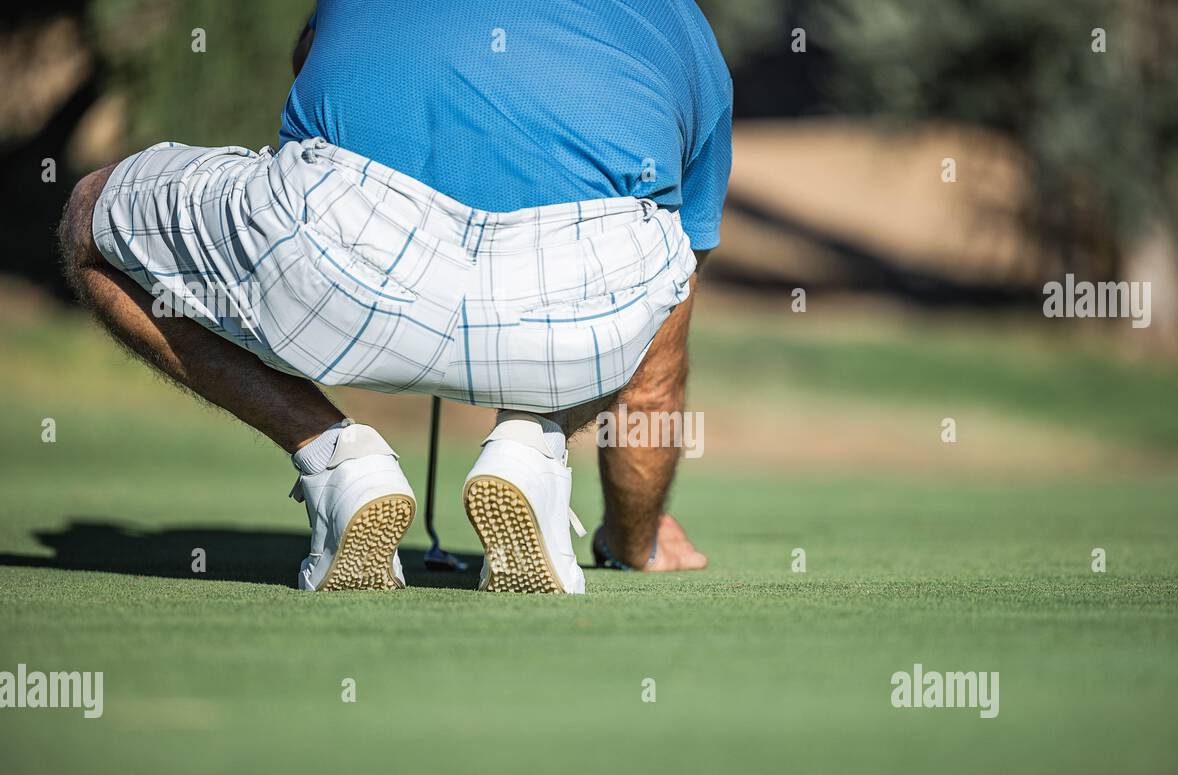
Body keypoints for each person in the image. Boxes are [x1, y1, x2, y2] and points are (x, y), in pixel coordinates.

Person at [58, 0, 730, 594]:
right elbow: (655, 378)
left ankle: (337, 460)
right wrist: (633, 539)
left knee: (91, 222)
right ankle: (532, 451)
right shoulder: (692, 38)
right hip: (577, 302)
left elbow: (309, 64)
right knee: (651, 259)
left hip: (340, 247)